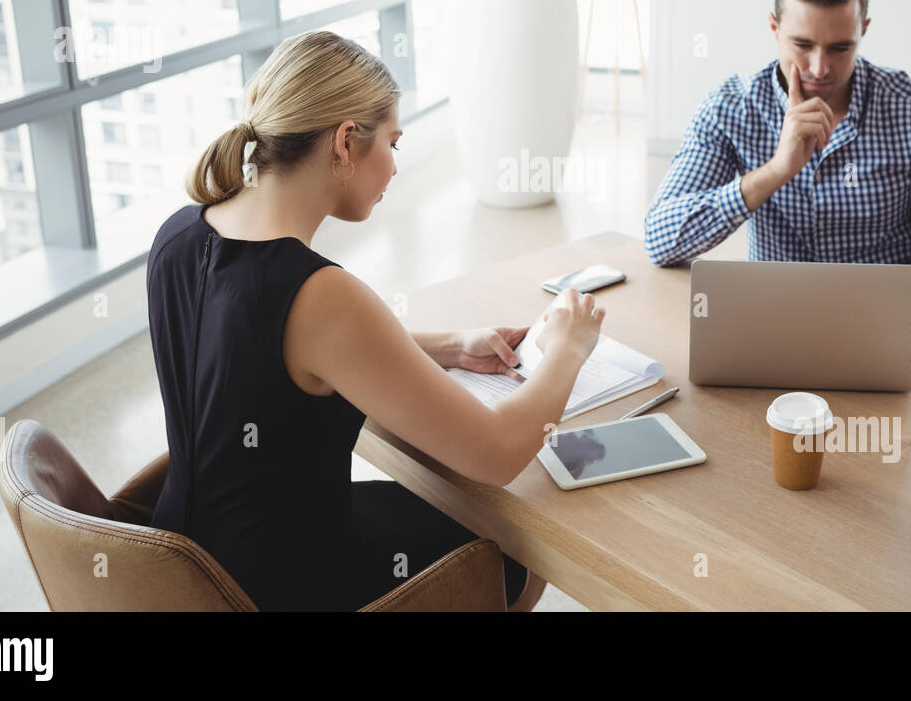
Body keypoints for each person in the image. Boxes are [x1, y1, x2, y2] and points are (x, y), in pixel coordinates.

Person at [146, 30, 605, 610]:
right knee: (516, 549)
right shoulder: (320, 292)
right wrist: (567, 346)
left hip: (184, 564)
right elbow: (498, 453)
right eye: (393, 140)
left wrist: (453, 346)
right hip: (287, 588)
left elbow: (259, 353)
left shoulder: (179, 235)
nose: (394, 166)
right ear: (344, 142)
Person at [643, 0, 911, 321]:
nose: (820, 68)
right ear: (774, 26)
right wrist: (775, 171)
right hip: (772, 327)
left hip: (884, 331)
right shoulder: (731, 107)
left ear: (863, 31)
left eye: (840, 48)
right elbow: (660, 241)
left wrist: (876, 324)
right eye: (802, 45)